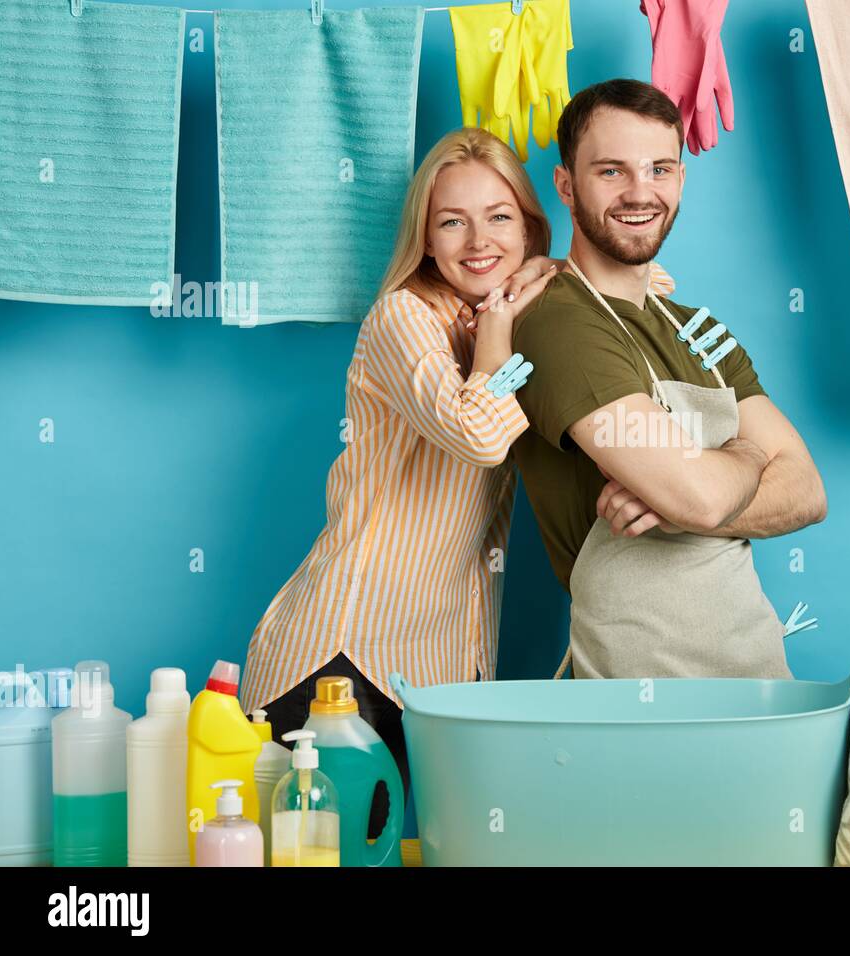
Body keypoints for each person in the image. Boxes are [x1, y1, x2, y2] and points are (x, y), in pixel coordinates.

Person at [237, 124, 677, 833]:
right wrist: (503, 329)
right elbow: (478, 435)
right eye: (453, 221)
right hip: (337, 666)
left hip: (438, 671)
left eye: (499, 217)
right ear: (427, 238)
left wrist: (550, 279)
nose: (479, 241)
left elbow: (648, 285)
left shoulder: (520, 309)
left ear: (530, 226)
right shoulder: (402, 317)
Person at [510, 79, 828, 681]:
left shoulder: (698, 331)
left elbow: (808, 491)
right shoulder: (558, 324)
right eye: (611, 171)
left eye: (659, 168)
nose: (640, 192)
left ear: (680, 180)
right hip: (636, 698)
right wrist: (746, 454)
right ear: (565, 186)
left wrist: (681, 502)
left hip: (754, 675)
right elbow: (702, 497)